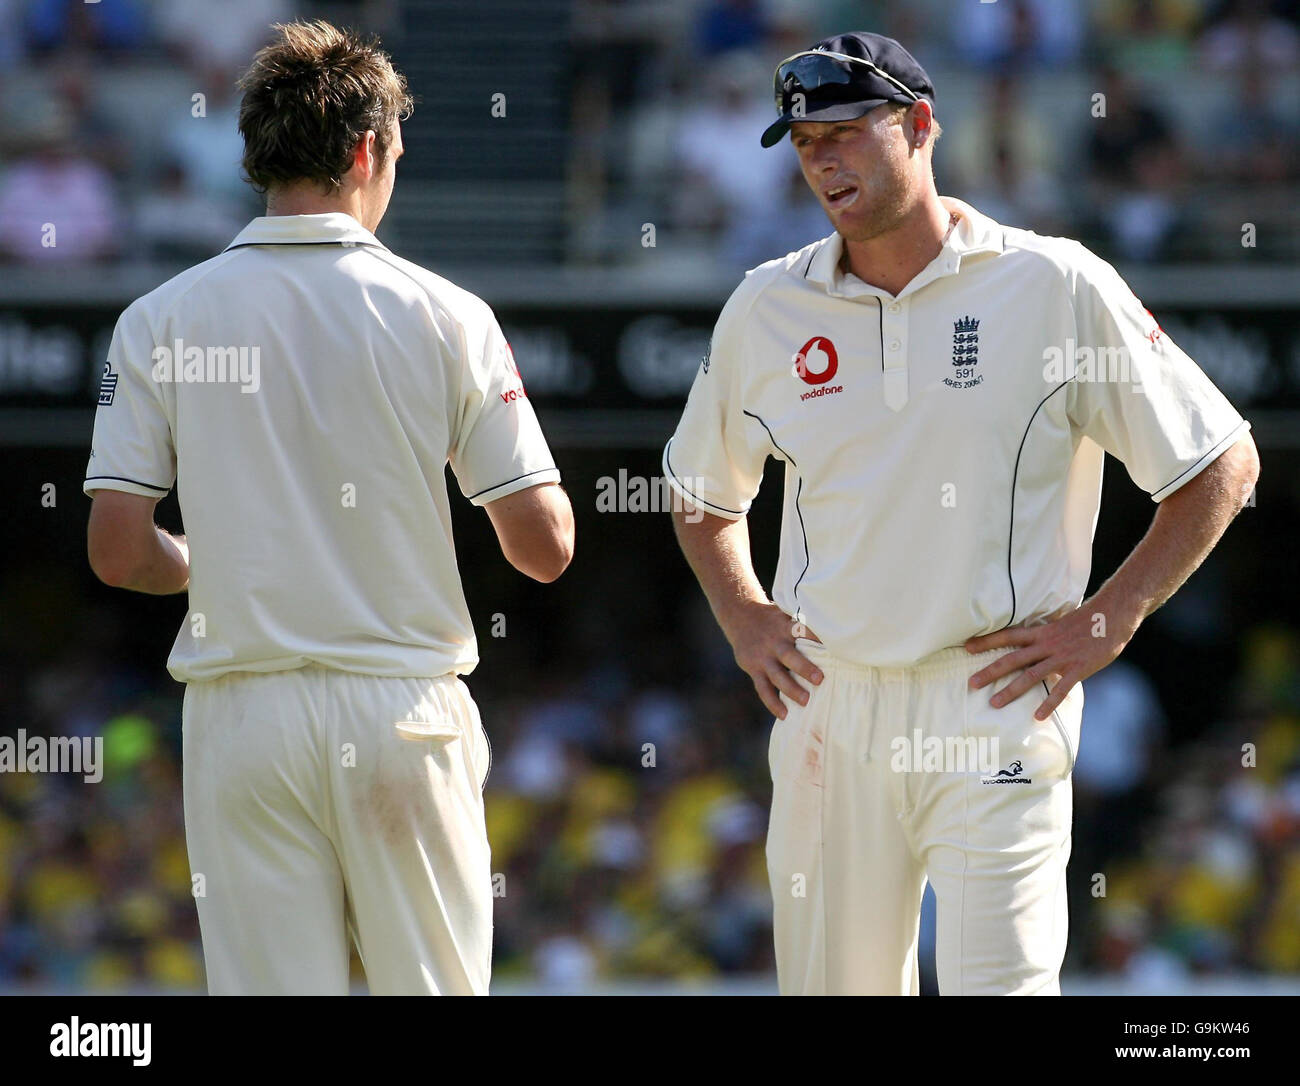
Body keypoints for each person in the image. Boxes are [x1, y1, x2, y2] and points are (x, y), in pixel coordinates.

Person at [663, 31, 1259, 995]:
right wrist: (742, 615)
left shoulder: (1055, 283)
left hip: (994, 699)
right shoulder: (764, 306)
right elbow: (698, 494)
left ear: (923, 125)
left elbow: (1219, 462)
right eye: (806, 143)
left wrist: (1105, 623)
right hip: (830, 702)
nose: (824, 161)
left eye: (848, 132)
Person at [82, 20, 574, 995]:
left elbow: (117, 551)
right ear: (366, 150)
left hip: (242, 720)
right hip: (401, 709)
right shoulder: (447, 313)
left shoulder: (160, 318)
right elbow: (544, 547)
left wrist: (203, 564)